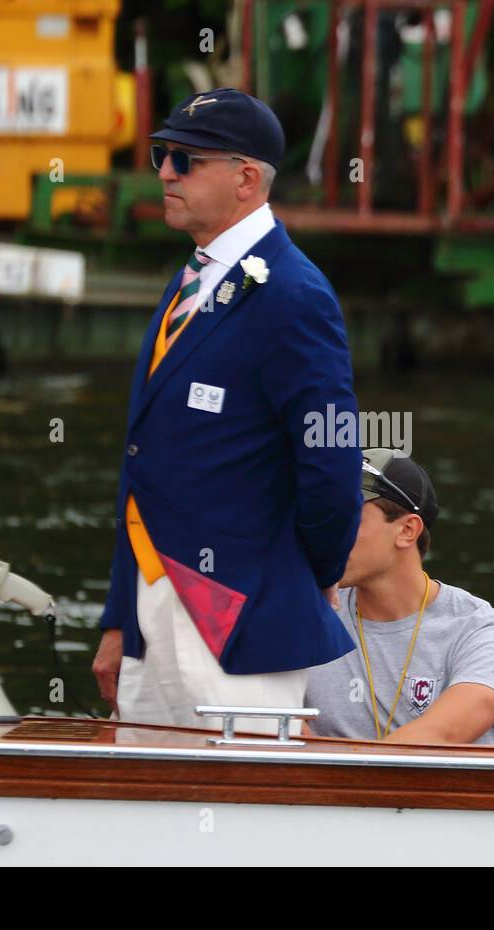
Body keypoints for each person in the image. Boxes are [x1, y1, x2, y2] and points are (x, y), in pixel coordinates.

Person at [92, 88, 363, 731]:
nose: (163, 171)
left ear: (245, 178)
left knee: (244, 808)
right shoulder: (192, 277)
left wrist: (308, 576)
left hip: (240, 612)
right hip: (152, 603)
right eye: (162, 154)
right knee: (145, 812)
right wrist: (117, 620)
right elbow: (143, 465)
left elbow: (331, 459)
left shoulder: (296, 294)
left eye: (185, 160)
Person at [304, 449, 494, 745]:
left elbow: (441, 736)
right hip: (328, 788)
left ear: (407, 530)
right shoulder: (304, 616)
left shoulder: (487, 634)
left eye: (347, 518)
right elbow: (266, 718)